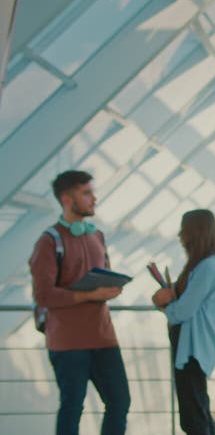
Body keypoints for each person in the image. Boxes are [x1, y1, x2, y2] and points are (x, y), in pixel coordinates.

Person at [29, 170, 130, 435]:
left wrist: (110, 289)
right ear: (66, 198)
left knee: (120, 402)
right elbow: (43, 295)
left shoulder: (97, 236)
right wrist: (89, 295)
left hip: (103, 336)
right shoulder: (49, 241)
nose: (93, 198)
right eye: (86, 193)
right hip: (67, 341)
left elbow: (105, 273)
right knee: (72, 407)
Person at [152, 209, 215, 435]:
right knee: (196, 409)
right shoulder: (204, 265)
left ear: (196, 232)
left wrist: (165, 305)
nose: (179, 235)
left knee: (194, 416)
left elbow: (183, 311)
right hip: (192, 347)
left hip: (193, 348)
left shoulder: (207, 266)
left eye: (183, 229)